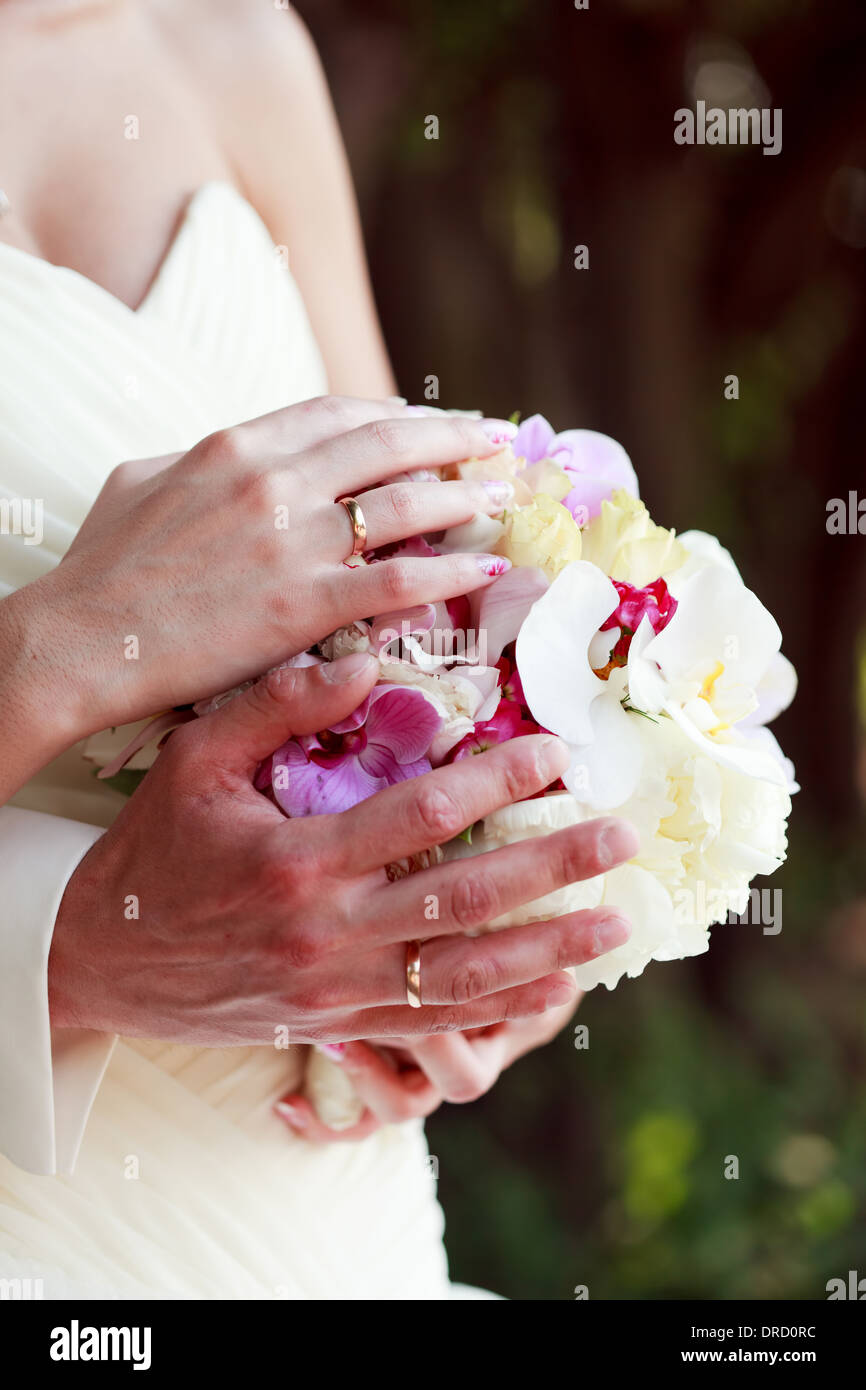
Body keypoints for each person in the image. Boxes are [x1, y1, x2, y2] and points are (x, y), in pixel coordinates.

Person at [0, 0, 636, 1298]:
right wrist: (58, 649)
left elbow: (444, 635)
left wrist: (474, 930)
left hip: (338, 1235)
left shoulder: (235, 49)